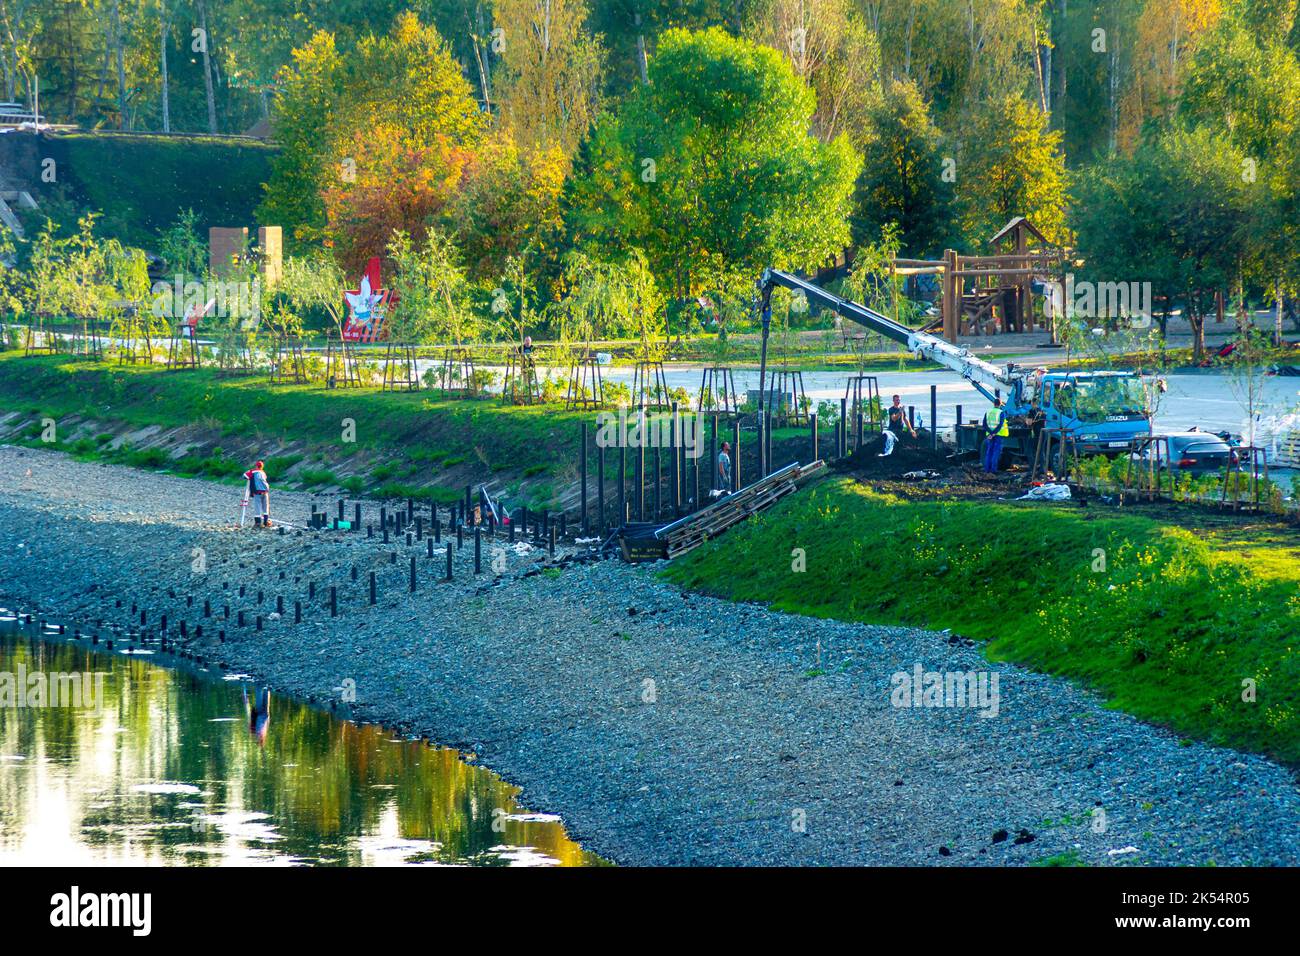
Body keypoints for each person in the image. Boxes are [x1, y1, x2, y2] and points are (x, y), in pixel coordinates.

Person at [982, 398, 1010, 474]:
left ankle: (987, 469)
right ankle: (993, 470)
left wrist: (990, 433)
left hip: (989, 436)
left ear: (993, 403)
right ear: (1000, 404)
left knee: (989, 452)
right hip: (998, 435)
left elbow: (984, 424)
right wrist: (994, 433)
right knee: (995, 453)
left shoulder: (988, 412)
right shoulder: (1001, 412)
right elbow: (1000, 425)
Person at [244, 460, 270, 527]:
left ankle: (258, 522)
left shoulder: (252, 471)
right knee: (265, 507)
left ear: (256, 466)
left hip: (257, 491)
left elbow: (244, 476)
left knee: (257, 506)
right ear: (262, 466)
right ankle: (266, 522)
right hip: (265, 491)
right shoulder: (263, 472)